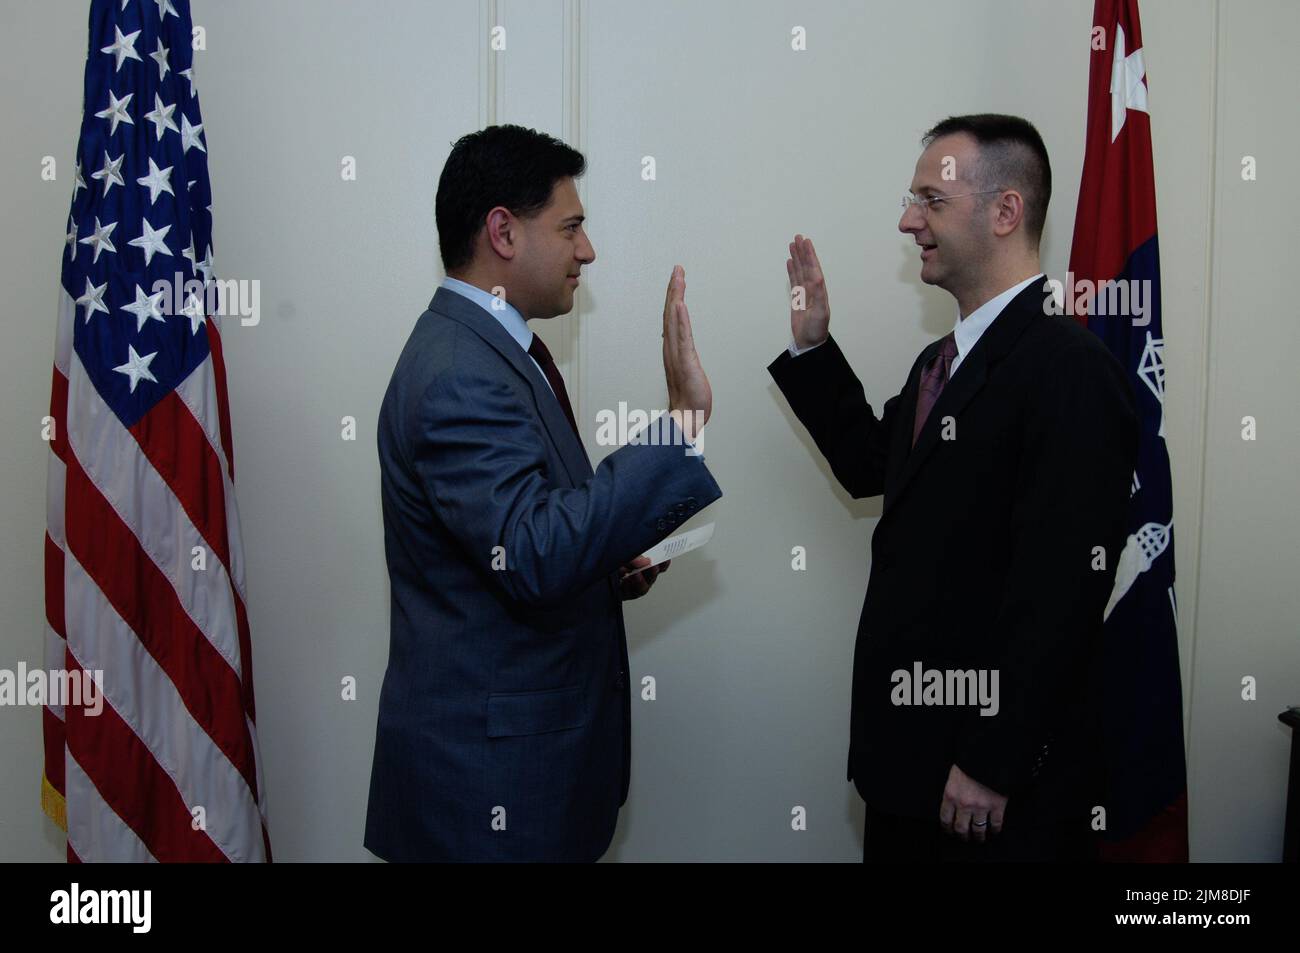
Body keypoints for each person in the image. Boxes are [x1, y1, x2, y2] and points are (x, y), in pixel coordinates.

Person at [768, 114, 1138, 861]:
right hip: (909, 766)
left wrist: (992, 759)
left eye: (930, 201)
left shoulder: (1070, 371)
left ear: (1006, 212)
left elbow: (1062, 591)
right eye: (911, 201)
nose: (908, 221)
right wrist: (812, 349)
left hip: (988, 791)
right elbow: (874, 465)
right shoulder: (942, 361)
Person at [364, 124, 720, 862]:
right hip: (486, 799)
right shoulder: (462, 368)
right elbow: (527, 552)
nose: (586, 251)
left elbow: (523, 542)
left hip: (517, 784)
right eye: (572, 226)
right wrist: (681, 424)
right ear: (503, 231)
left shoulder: (492, 351)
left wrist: (604, 564)